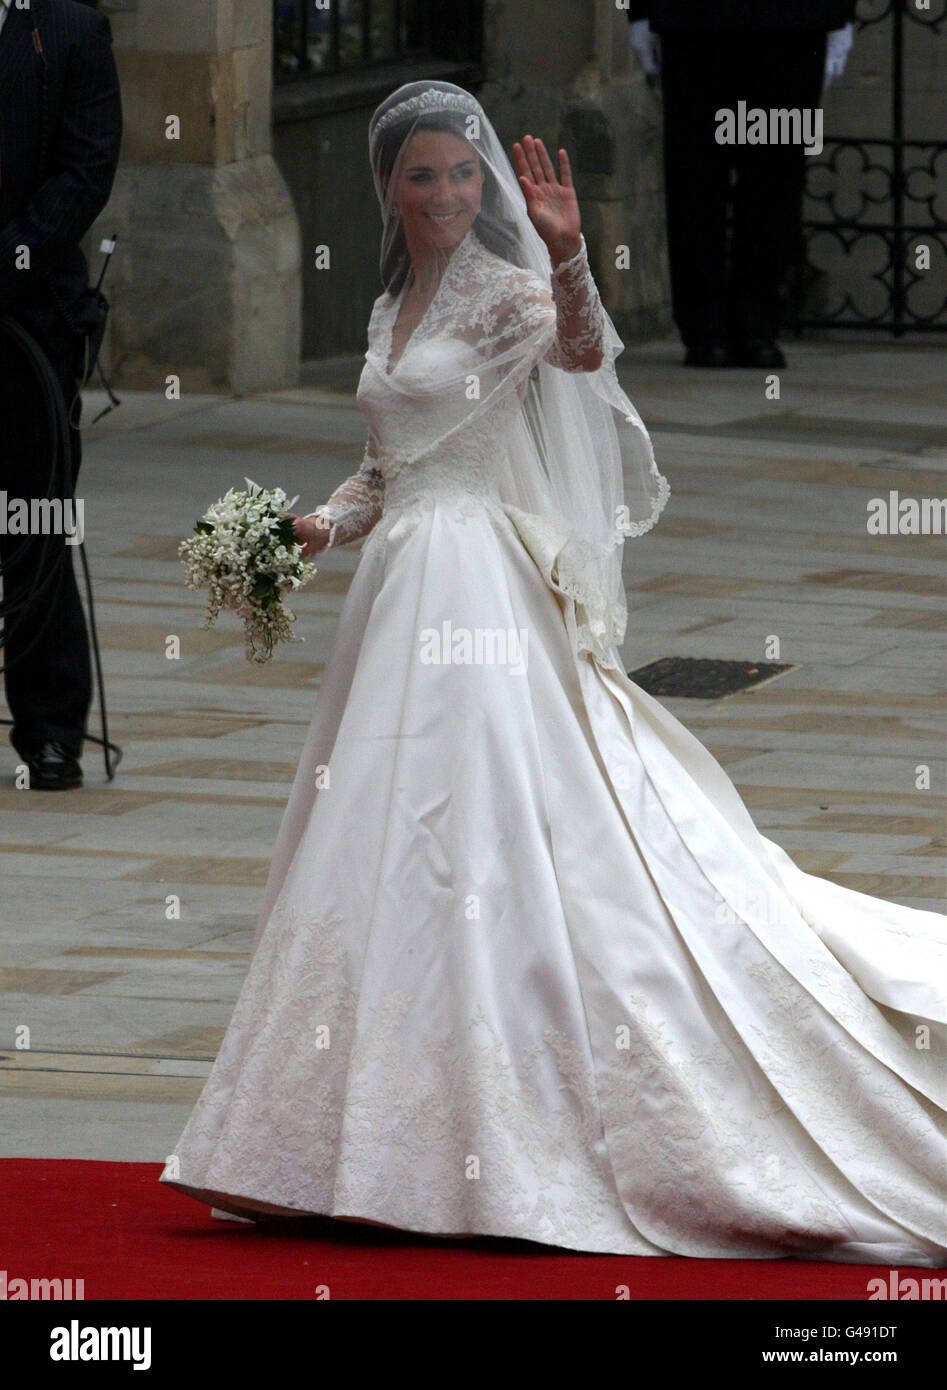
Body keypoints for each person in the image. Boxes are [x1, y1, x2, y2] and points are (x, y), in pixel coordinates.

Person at [161, 82, 945, 1264]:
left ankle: (483, 1137)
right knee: (373, 837)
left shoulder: (499, 294)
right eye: (420, 176)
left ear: (484, 188)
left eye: (460, 175)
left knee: (466, 832)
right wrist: (305, 529)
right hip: (398, 589)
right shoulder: (392, 302)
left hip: (477, 590)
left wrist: (572, 258)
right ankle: (338, 1138)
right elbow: (387, 469)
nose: (442, 195)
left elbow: (581, 356)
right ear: (387, 188)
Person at [0, 0, 122, 789]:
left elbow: (86, 169)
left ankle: (50, 729)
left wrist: (9, 256)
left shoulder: (69, 27)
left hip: (31, 312)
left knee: (34, 518)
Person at [626, 1, 856, 368]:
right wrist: (643, 10)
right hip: (697, 22)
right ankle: (705, 326)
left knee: (776, 177)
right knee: (696, 177)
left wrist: (838, 13)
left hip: (792, 23)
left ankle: (757, 322)